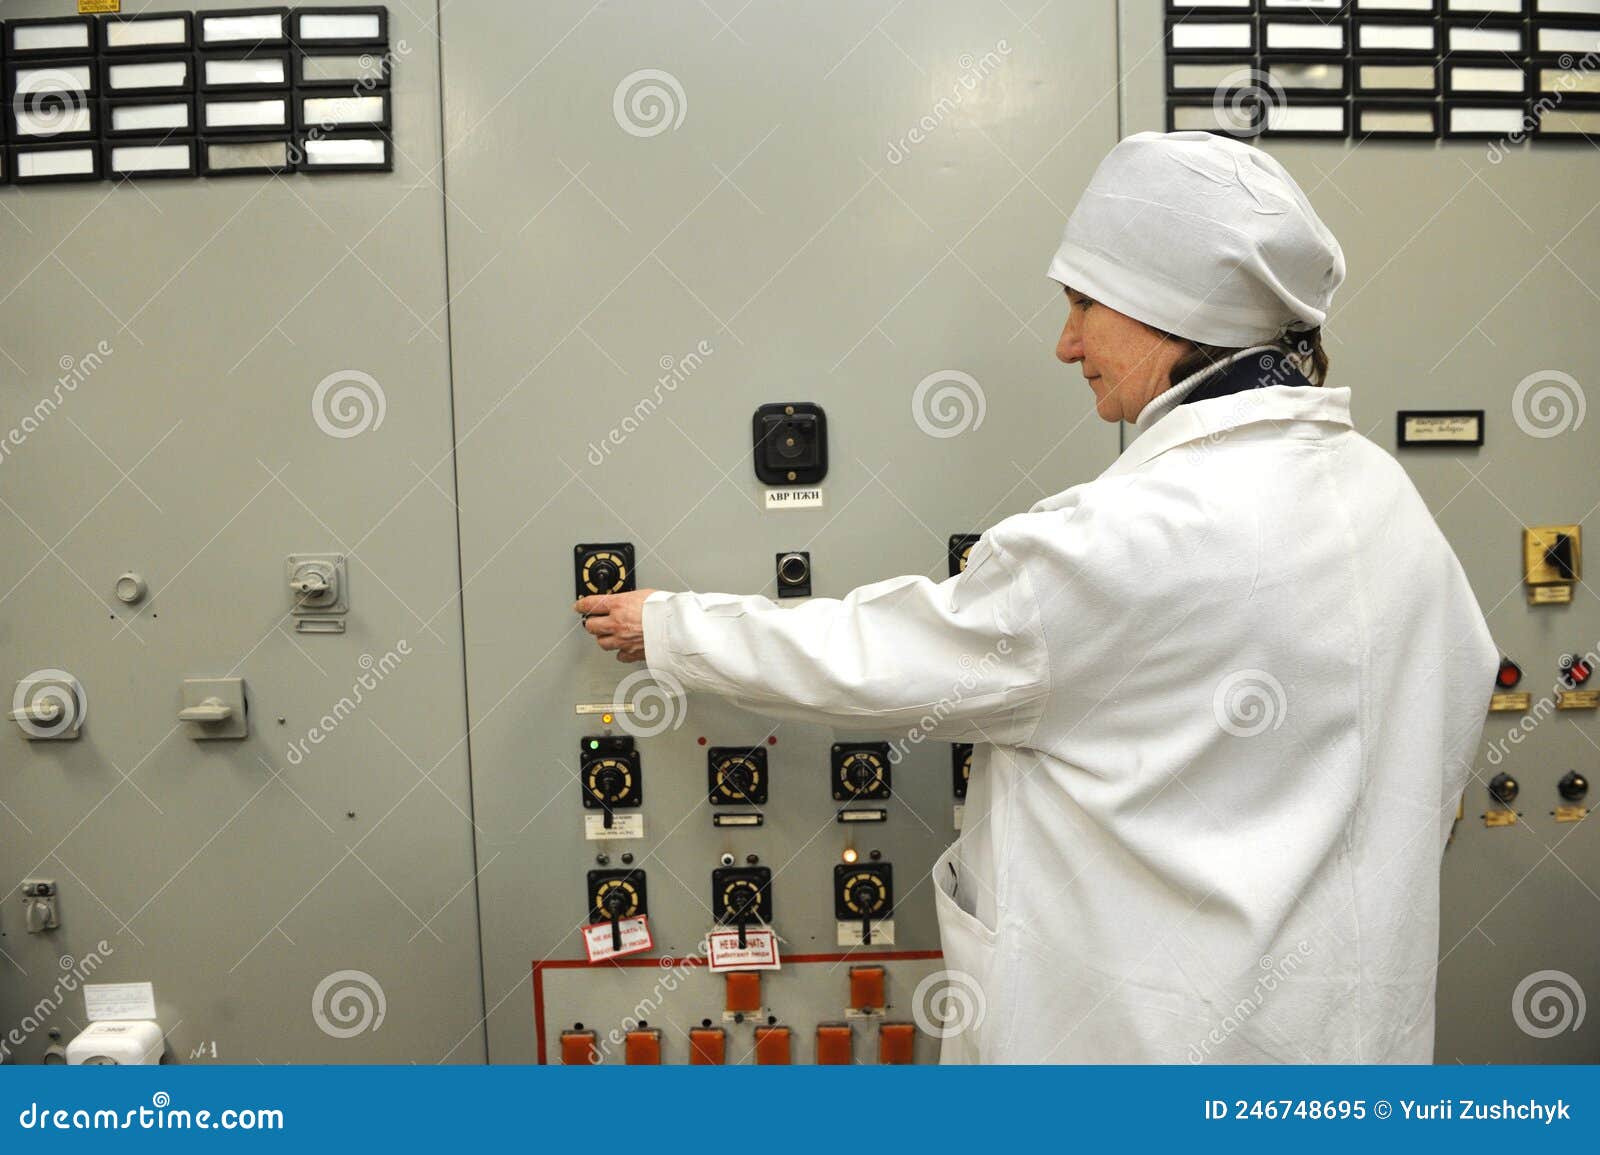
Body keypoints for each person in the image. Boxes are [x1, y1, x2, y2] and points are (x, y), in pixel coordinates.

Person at [574, 131, 1497, 1063]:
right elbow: (1446, 725)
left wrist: (671, 626)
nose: (1066, 345)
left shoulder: (1123, 537)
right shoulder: (1386, 500)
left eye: (1083, 303)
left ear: (1166, 311)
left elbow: (878, 657)